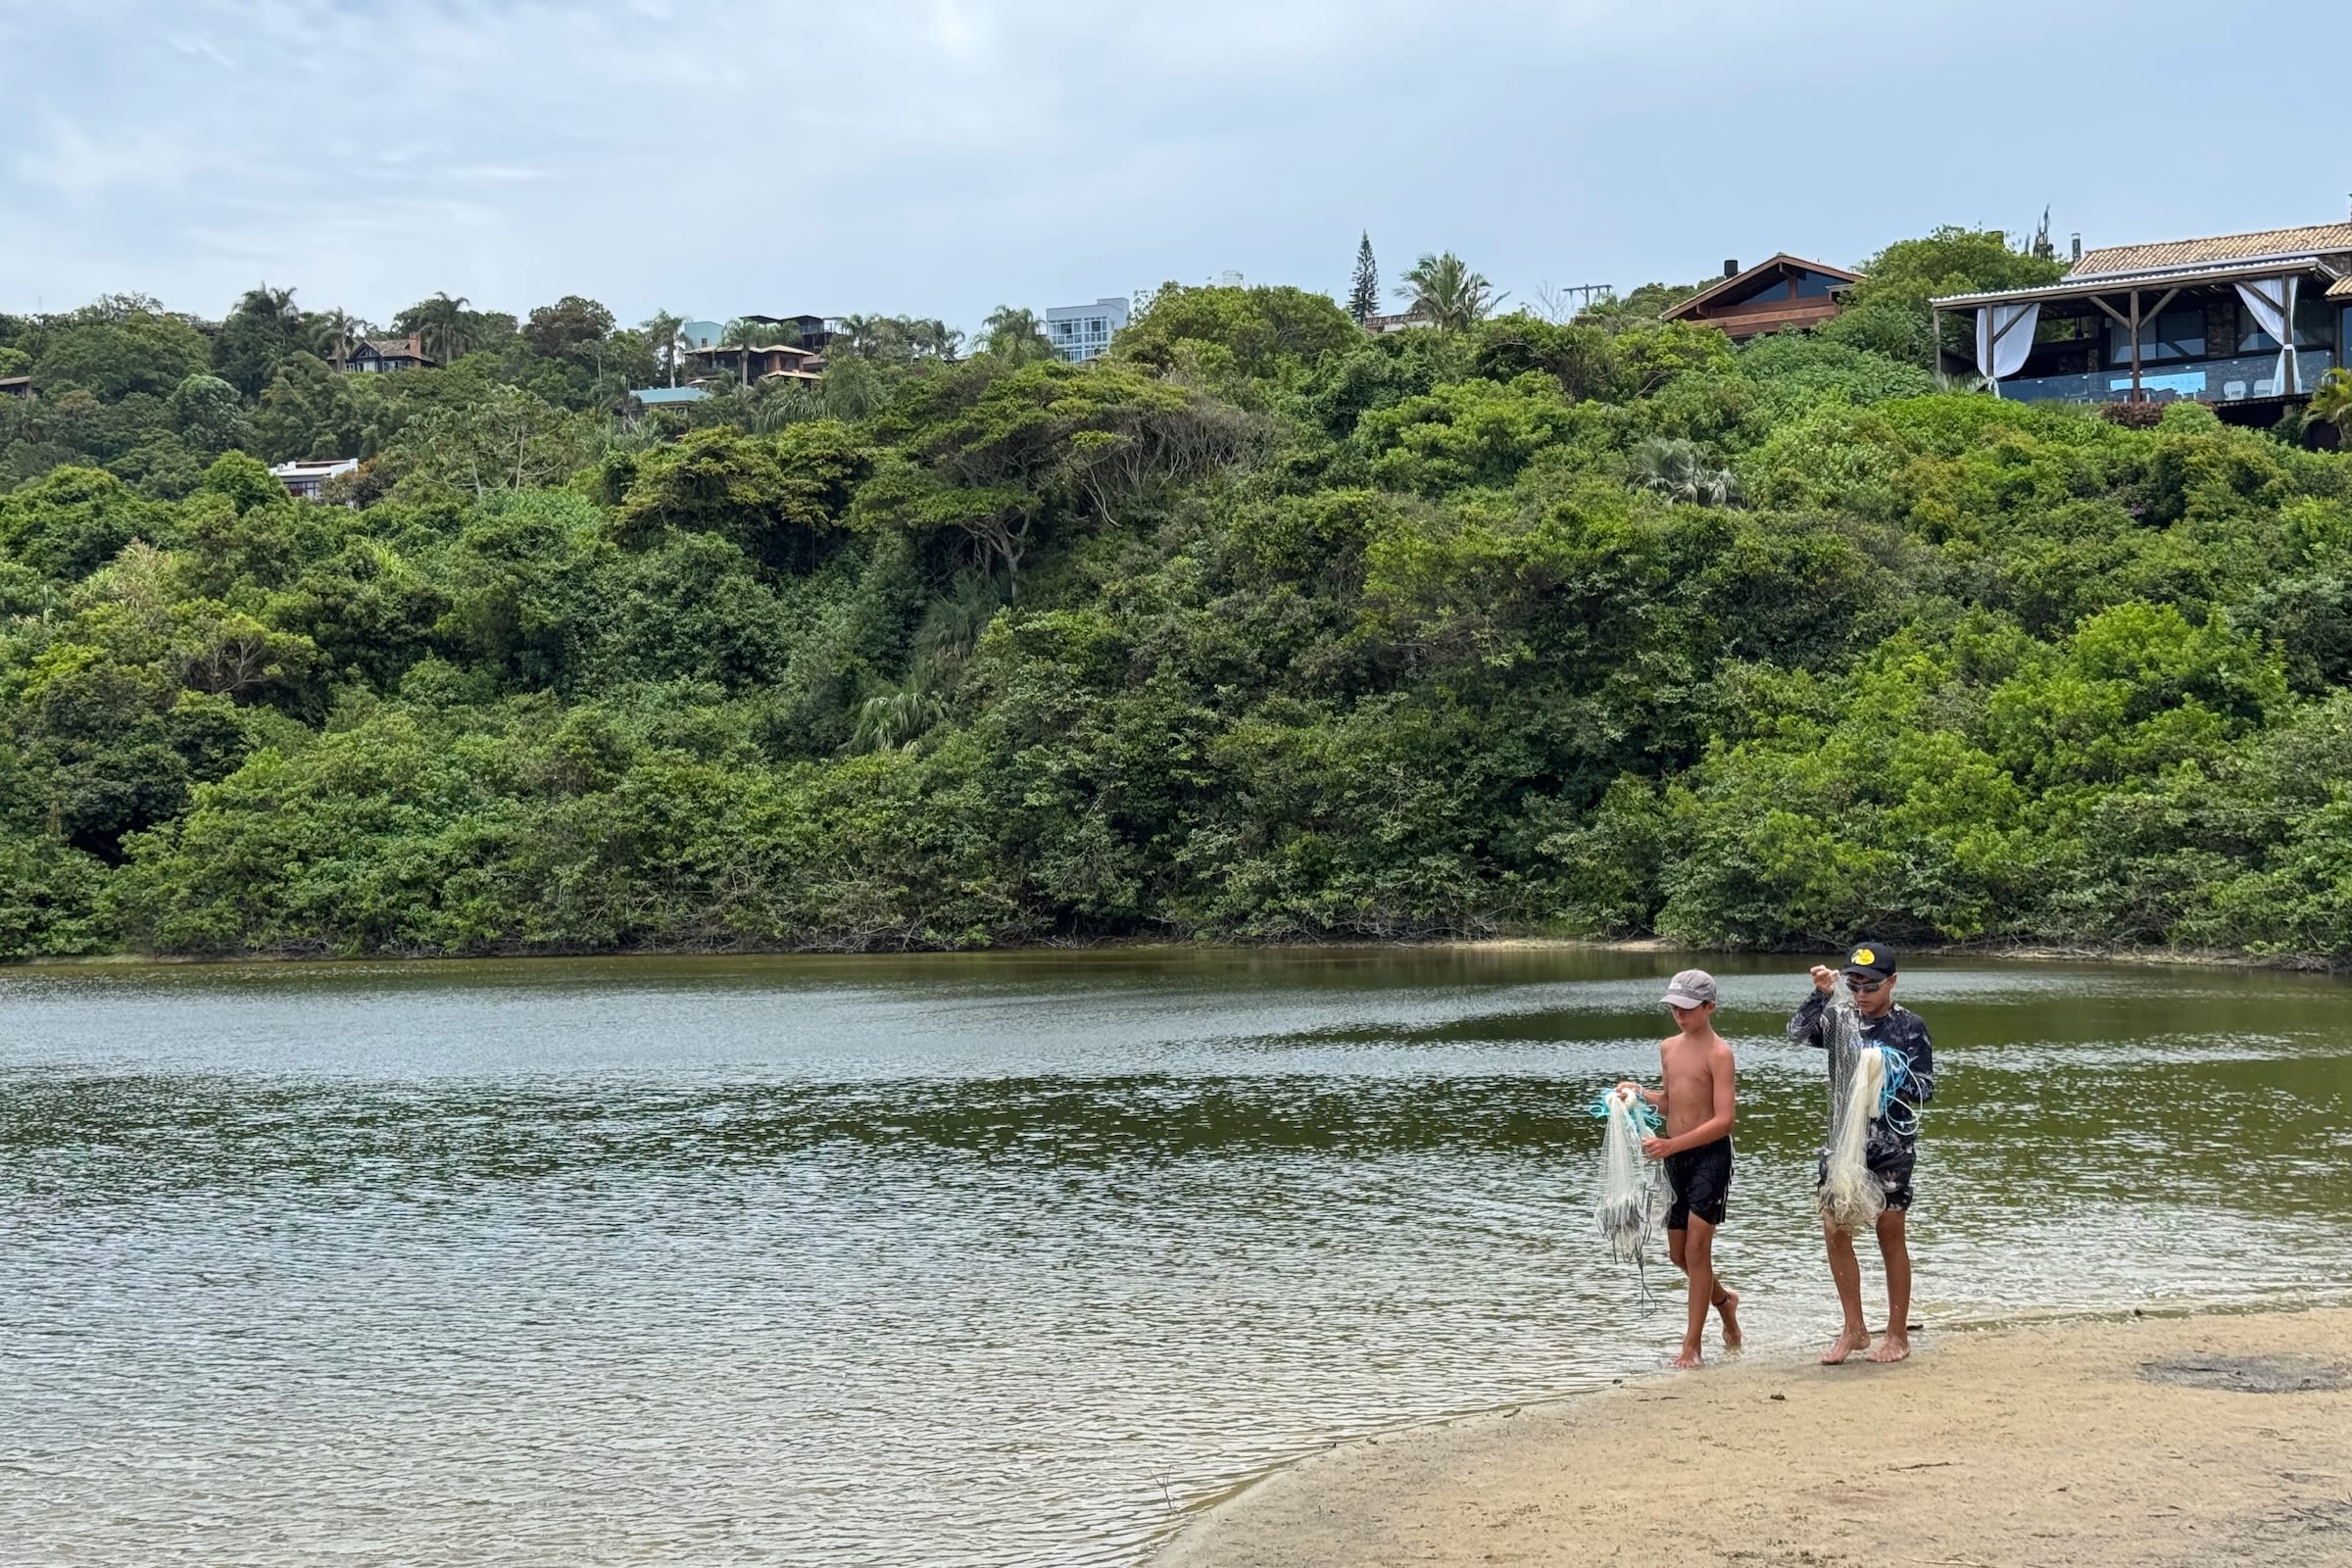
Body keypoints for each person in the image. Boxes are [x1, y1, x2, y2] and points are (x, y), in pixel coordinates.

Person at [1788, 942, 1936, 1365]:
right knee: (1835, 1228)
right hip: (1842, 1142)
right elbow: (1797, 1032)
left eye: (1871, 985)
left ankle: (1896, 1334)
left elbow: (1926, 1088)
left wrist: (1886, 1068)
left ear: (1891, 982)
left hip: (1890, 1143)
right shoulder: (1838, 1019)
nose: (1862, 993)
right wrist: (1820, 993)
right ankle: (1853, 1329)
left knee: (1890, 1231)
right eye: (1854, 983)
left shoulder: (1910, 1026)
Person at [1617, 968, 1740, 1369]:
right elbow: (1670, 1102)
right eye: (1674, 1008)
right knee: (1677, 1254)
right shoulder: (1668, 1047)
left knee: (1697, 1248)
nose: (1680, 1015)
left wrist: (1671, 1143)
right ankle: (1725, 1303)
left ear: (1709, 1008)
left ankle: (1692, 1345)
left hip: (1711, 1156)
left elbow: (1724, 1121)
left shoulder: (1719, 1053)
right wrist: (1639, 1095)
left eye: (1688, 1009)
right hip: (1675, 1158)